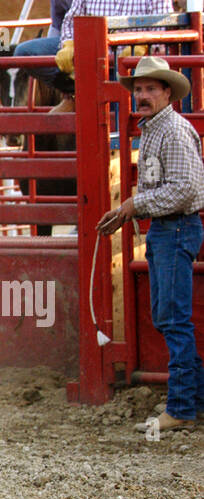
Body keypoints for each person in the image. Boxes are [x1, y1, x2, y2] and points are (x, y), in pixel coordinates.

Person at [99, 56, 204, 433]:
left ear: (167, 93)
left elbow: (186, 189)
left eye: (150, 89)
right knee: (168, 317)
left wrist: (134, 204)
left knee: (172, 319)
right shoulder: (157, 129)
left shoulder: (172, 131)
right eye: (139, 89)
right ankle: (193, 399)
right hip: (169, 229)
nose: (142, 95)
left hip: (175, 227)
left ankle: (179, 407)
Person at [15, 1, 172, 110]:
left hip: (132, 60)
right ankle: (79, 92)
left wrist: (141, 45)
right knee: (25, 53)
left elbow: (163, 24)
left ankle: (93, 96)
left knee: (131, 77)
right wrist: (69, 44)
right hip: (92, 55)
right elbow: (69, 21)